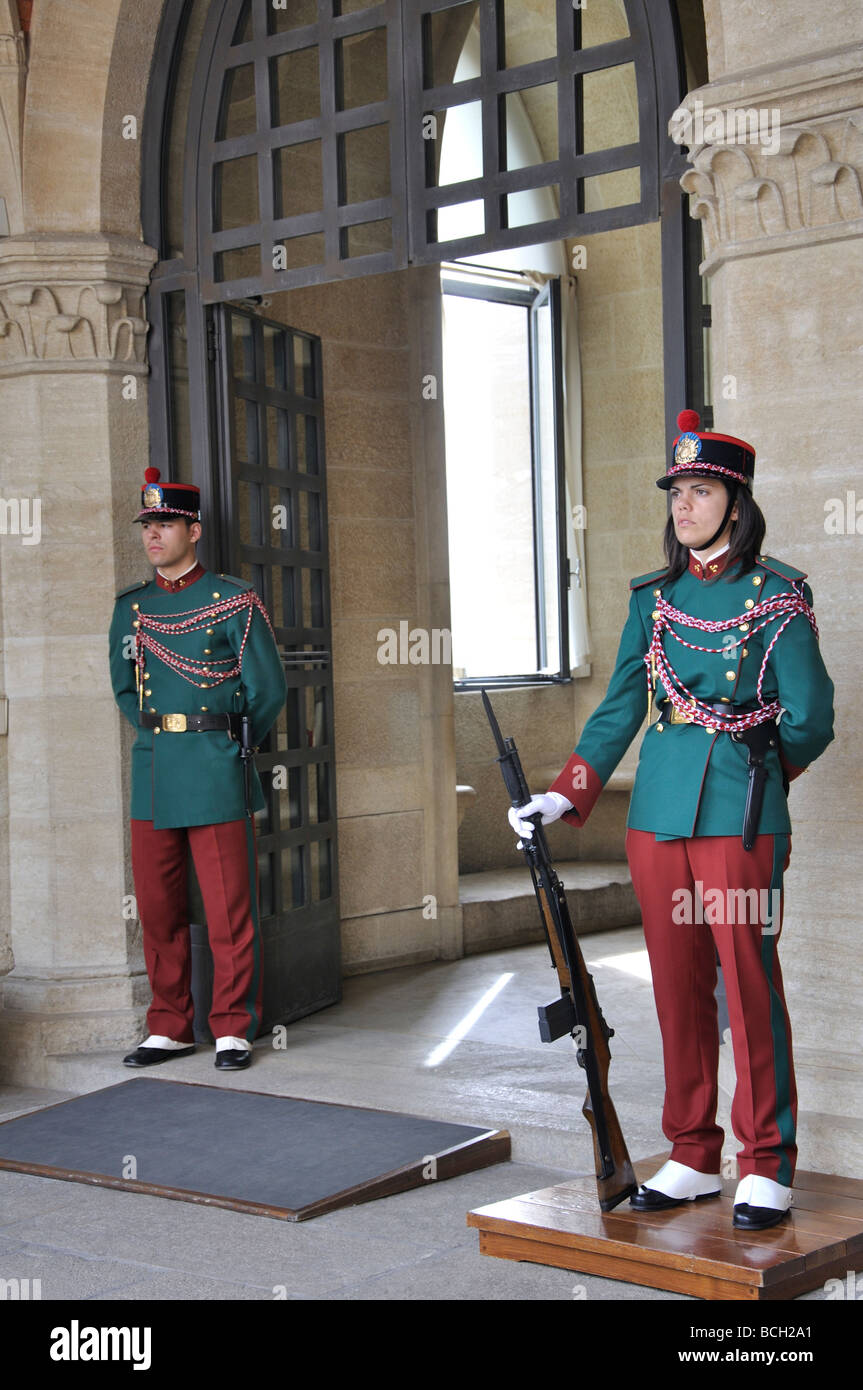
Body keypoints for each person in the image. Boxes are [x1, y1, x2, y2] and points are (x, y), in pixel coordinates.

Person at [508, 410, 834, 1230]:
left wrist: (762, 773)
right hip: (656, 813)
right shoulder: (655, 600)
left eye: (699, 490)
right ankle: (692, 1152)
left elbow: (812, 716)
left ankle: (766, 1163)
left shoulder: (776, 597)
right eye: (677, 492)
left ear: (735, 501)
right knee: (678, 988)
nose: (682, 505)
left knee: (745, 983)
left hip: (738, 814)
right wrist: (565, 791)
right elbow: (620, 703)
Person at [109, 467, 287, 1071]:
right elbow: (125, 691)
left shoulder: (233, 600)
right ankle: (170, 1025)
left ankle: (234, 1027)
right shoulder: (132, 608)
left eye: (164, 524)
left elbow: (267, 689)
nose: (153, 535)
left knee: (228, 905)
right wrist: (168, 737)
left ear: (194, 529)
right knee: (158, 906)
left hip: (215, 764)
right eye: (148, 525)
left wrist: (223, 744)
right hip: (156, 766)